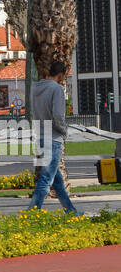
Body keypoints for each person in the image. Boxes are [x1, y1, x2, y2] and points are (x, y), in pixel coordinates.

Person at [27, 60, 80, 215]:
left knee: (57, 182)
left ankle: (71, 212)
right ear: (61, 74)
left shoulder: (34, 89)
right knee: (46, 180)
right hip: (53, 139)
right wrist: (64, 130)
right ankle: (31, 213)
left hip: (40, 138)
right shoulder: (56, 89)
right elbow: (57, 115)